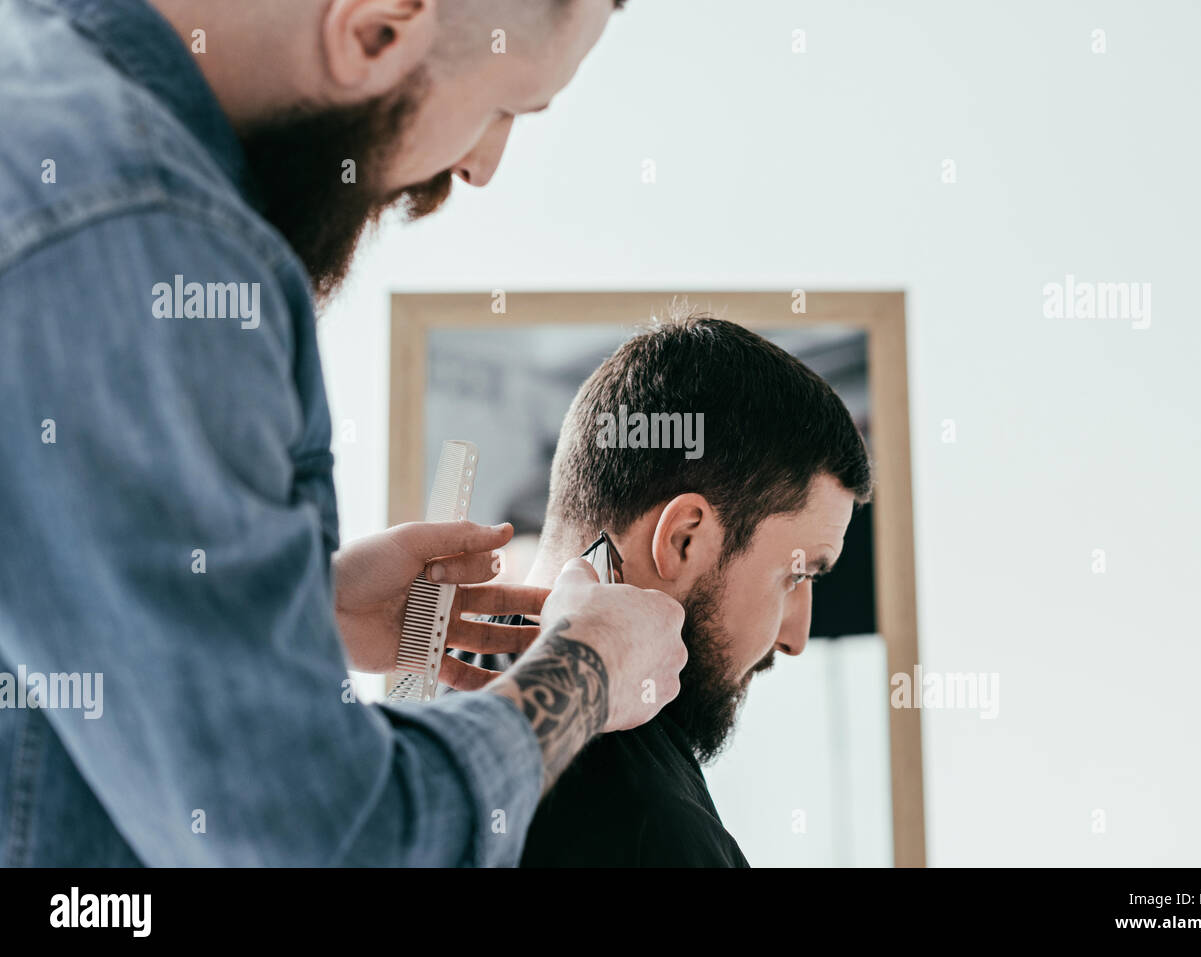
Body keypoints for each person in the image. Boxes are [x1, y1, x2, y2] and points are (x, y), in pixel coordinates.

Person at [0, 0, 686, 866]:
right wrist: (586, 670)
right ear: (378, 28)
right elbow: (334, 844)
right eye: (507, 106)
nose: (483, 166)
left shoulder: (36, 98)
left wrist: (302, 611)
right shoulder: (144, 242)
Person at [452, 315, 873, 866]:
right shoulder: (657, 833)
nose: (796, 637)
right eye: (797, 574)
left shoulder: (437, 714)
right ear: (682, 539)